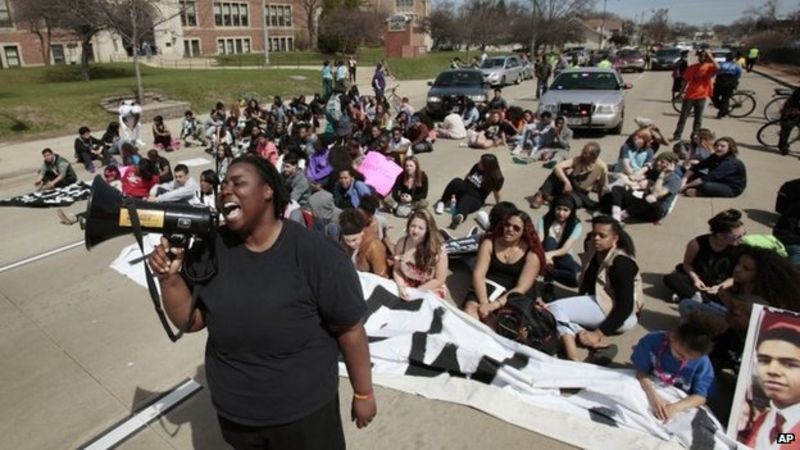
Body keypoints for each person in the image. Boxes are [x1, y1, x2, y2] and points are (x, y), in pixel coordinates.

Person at [148, 156, 376, 449]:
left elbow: (350, 331)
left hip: (305, 416)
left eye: (238, 183)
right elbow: (192, 321)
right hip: (237, 417)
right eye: (223, 184)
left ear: (268, 190)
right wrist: (169, 279)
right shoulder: (209, 248)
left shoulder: (318, 255)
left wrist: (363, 393)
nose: (226, 190)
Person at [547, 216, 642, 364]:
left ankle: (572, 357)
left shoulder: (621, 263)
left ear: (615, 238)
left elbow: (625, 306)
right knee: (553, 312)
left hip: (622, 317)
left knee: (554, 309)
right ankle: (598, 347)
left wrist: (598, 333)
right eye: (594, 234)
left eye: (602, 236)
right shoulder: (594, 249)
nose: (596, 239)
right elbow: (586, 282)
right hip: (603, 303)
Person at [632, 312, 726, 424]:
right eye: (680, 354)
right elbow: (641, 371)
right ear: (673, 337)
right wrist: (653, 396)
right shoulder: (652, 341)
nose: (683, 360)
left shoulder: (703, 363)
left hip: (679, 401)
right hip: (648, 387)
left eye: (690, 359)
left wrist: (674, 408)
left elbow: (700, 397)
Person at [463, 210, 545, 321]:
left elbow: (521, 288)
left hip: (513, 294)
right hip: (488, 287)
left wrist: (494, 305)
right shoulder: (489, 243)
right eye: (507, 225)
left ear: (524, 232)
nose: (510, 229)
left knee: (496, 323)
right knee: (470, 313)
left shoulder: (532, 254)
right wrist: (484, 303)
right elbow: (478, 275)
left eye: (516, 228)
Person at [663, 209, 744, 304]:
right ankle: (704, 300)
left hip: (722, 284)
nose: (742, 239)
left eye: (743, 234)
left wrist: (720, 287)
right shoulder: (696, 244)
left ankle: (692, 296)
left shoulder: (739, 248)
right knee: (671, 279)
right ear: (720, 235)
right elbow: (687, 264)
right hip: (699, 279)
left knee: (740, 293)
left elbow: (736, 276)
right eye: (737, 237)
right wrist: (696, 279)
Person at [740, 323, 800, 448]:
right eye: (764, 361)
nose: (772, 370)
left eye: (789, 364)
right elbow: (782, 441)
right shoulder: (763, 421)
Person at [600, 152, 682, 224]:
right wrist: (647, 167)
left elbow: (656, 194)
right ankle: (616, 216)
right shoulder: (655, 171)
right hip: (640, 204)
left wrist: (662, 174)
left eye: (662, 162)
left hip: (655, 211)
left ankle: (622, 215)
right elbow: (633, 177)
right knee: (617, 189)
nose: (658, 163)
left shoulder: (675, 180)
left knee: (649, 197)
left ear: (671, 165)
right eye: (658, 160)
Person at [530, 142, 608, 211]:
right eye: (582, 151)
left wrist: (601, 202)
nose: (582, 154)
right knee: (556, 173)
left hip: (581, 192)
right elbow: (558, 167)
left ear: (593, 156)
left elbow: (601, 186)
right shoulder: (578, 159)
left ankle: (551, 198)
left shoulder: (602, 167)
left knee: (578, 204)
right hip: (569, 185)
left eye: (585, 153)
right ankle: (541, 194)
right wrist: (566, 181)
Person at [434, 154, 504, 229]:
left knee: (466, 202)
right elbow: (468, 176)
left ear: (488, 166)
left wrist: (498, 205)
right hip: (464, 190)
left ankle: (459, 217)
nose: (479, 163)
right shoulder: (476, 167)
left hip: (475, 199)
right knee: (457, 181)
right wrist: (461, 186)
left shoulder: (497, 178)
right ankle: (442, 202)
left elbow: (496, 193)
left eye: (481, 162)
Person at [393, 209, 449, 300]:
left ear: (428, 230)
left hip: (430, 287)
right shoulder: (401, 243)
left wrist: (416, 292)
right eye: (413, 226)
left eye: (420, 228)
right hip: (406, 283)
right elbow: (397, 269)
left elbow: (440, 279)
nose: (415, 231)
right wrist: (401, 286)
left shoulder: (438, 250)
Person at [537, 196, 582, 296]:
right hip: (545, 255)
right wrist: (546, 256)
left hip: (562, 255)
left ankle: (548, 272)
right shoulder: (544, 220)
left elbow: (565, 248)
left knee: (578, 276)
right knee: (549, 241)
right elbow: (540, 241)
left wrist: (550, 254)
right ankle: (548, 283)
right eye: (559, 209)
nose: (561, 213)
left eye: (565, 210)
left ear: (571, 211)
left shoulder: (576, 225)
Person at [672, 49, 719, 142]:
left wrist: (710, 56)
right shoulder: (691, 67)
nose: (702, 58)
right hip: (689, 96)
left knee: (698, 119)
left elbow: (718, 67)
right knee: (683, 117)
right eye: (701, 56)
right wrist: (680, 93)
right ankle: (677, 135)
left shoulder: (709, 66)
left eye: (704, 56)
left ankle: (695, 136)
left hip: (701, 96)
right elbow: (685, 82)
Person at [681, 136, 747, 198]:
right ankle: (695, 188)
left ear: (730, 148)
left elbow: (707, 178)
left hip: (731, 188)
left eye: (723, 146)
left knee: (705, 185)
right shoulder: (714, 157)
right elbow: (696, 167)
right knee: (688, 173)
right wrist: (684, 180)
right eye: (717, 145)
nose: (718, 148)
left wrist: (685, 186)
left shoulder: (731, 163)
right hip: (717, 181)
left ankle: (700, 193)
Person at [339, 208, 389, 278]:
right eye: (347, 240)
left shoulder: (374, 247)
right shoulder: (343, 241)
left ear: (362, 232)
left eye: (354, 240)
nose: (351, 244)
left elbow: (381, 276)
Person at [711, 53, 742, 119]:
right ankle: (723, 111)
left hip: (720, 83)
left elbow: (715, 72)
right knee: (725, 99)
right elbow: (739, 75)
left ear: (726, 58)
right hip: (730, 85)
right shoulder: (736, 66)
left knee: (713, 96)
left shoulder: (721, 64)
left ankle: (722, 111)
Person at [778, 86, 800, 156]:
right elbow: (795, 100)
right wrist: (795, 110)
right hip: (792, 110)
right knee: (787, 127)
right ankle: (783, 147)